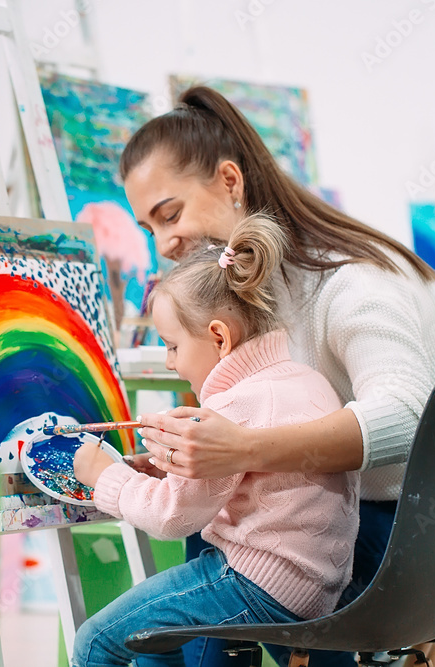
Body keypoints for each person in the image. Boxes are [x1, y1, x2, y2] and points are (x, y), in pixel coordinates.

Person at [120, 86, 435, 666]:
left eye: (170, 215)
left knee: (262, 562)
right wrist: (196, 459)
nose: (165, 244)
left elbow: (408, 417)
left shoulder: (350, 280)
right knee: (230, 530)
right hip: (412, 528)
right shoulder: (258, 299)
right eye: (148, 229)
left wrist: (243, 450)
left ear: (230, 182)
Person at [71, 214, 359, 667]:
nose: (169, 363)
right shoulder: (307, 379)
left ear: (219, 337)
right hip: (317, 589)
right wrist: (168, 465)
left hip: (257, 581)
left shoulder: (232, 407)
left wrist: (106, 479)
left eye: (172, 346)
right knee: (156, 640)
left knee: (98, 642)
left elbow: (172, 516)